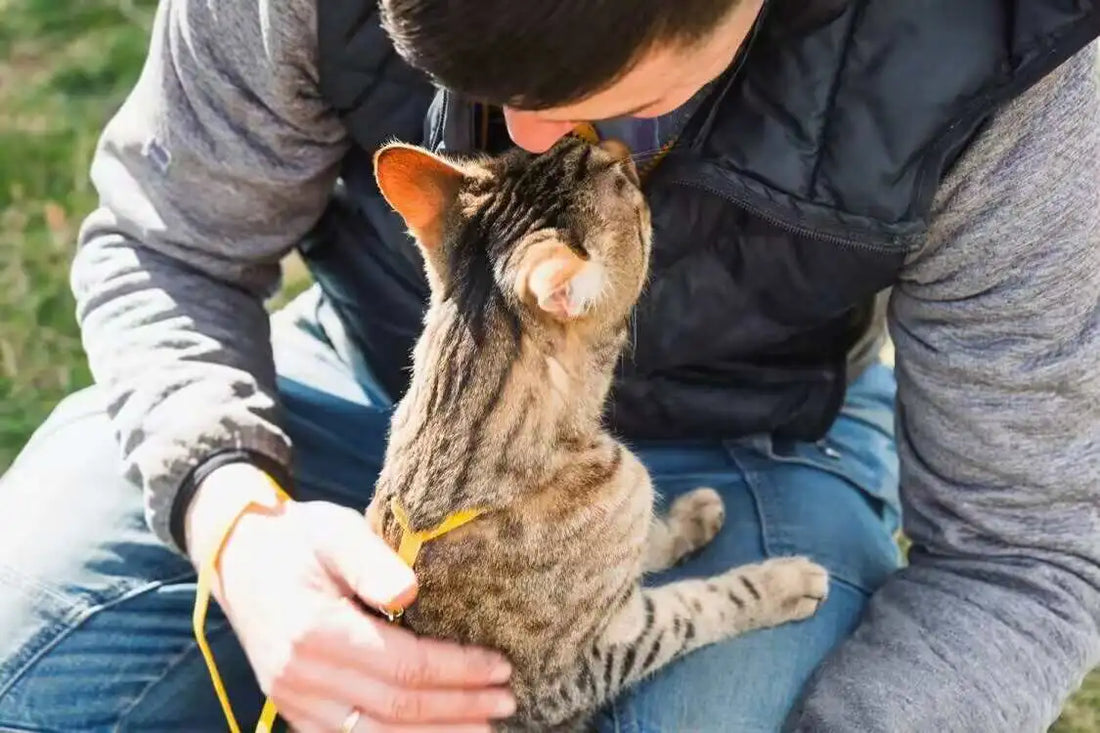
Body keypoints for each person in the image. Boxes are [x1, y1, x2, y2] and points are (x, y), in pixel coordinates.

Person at [1, 0, 1098, 730]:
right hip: (377, 388)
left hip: (757, 441)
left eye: (612, 100)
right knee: (25, 659)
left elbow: (1025, 556)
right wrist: (234, 520)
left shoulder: (1004, 57)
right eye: (471, 78)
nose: (528, 138)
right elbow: (167, 243)